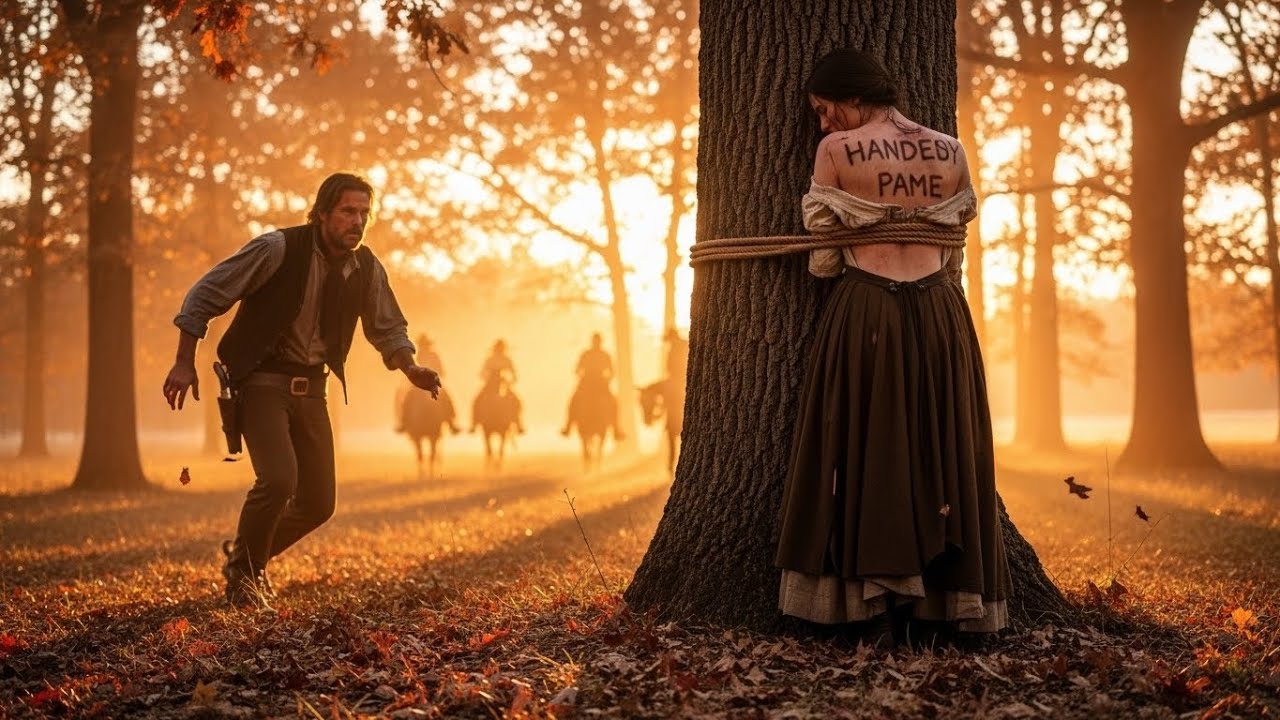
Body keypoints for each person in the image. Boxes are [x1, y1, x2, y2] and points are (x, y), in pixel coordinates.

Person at [774, 49, 1009, 647]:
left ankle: (868, 595)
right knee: (943, 441)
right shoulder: (948, 149)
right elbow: (952, 248)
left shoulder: (834, 153)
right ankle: (950, 597)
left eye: (824, 109)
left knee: (861, 445)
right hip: (937, 313)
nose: (823, 123)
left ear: (850, 97)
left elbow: (825, 260)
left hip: (867, 311)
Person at [162, 172, 442, 608]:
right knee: (278, 479)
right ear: (323, 212)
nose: (357, 221)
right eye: (348, 211)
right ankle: (245, 580)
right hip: (260, 383)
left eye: (365, 213)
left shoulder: (365, 266)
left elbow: (388, 325)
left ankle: (243, 559)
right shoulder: (277, 249)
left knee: (318, 503)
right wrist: (183, 361)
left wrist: (410, 367)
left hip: (314, 389)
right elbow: (206, 294)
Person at [560, 332, 624, 441]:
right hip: (587, 383)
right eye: (595, 341)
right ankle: (568, 426)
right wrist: (581, 375)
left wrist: (608, 379)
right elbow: (577, 369)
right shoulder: (586, 354)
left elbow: (612, 371)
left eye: (598, 341)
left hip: (600, 383)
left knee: (613, 402)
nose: (596, 343)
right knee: (574, 401)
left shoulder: (605, 355)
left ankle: (616, 428)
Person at [397, 334, 460, 434]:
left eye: (425, 344)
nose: (424, 346)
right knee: (407, 398)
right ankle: (404, 421)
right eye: (422, 344)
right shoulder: (414, 355)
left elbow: (441, 370)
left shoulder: (434, 355)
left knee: (445, 397)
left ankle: (451, 422)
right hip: (418, 383)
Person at [472, 339, 525, 434]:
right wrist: (488, 378)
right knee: (477, 400)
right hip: (490, 385)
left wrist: (509, 382)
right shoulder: (490, 359)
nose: (500, 350)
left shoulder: (507, 360)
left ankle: (518, 423)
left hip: (503, 385)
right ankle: (474, 423)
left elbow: (514, 375)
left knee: (516, 401)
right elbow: (481, 373)